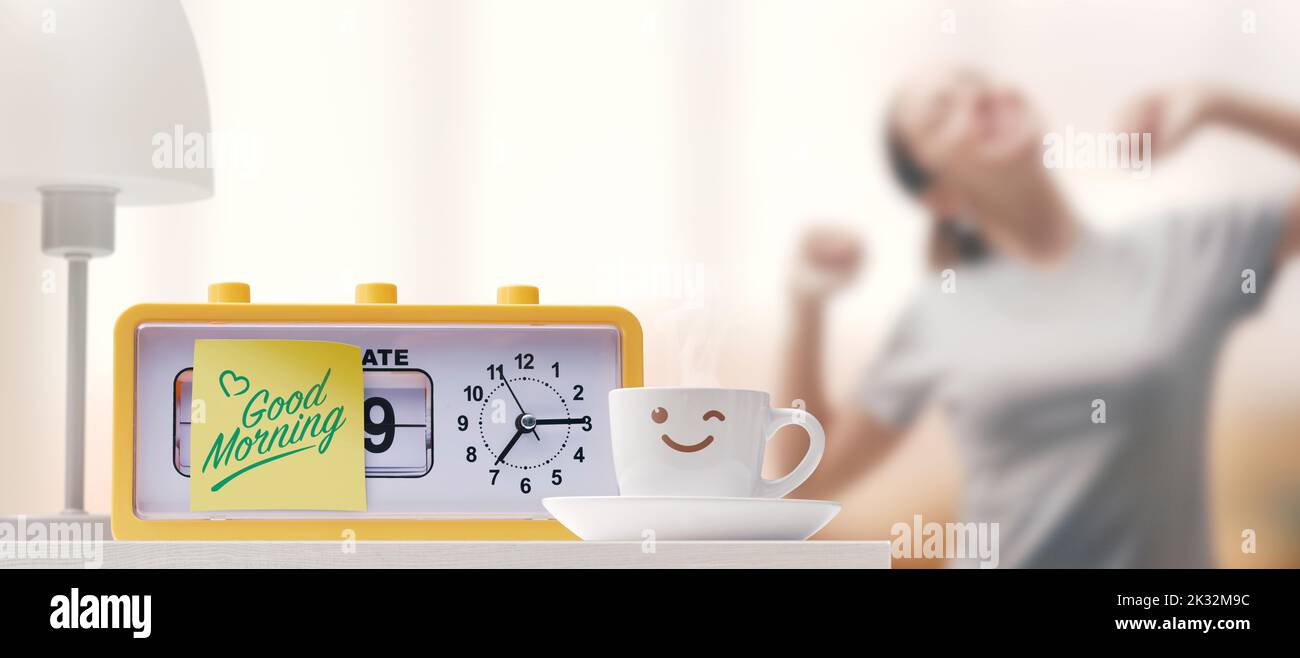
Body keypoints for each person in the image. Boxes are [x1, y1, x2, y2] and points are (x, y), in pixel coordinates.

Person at [774, 67, 1300, 568]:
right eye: (941, 112)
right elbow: (801, 481)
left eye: (977, 83)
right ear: (942, 194)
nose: (976, 98)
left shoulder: (1185, 252)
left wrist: (1217, 103)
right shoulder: (939, 313)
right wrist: (806, 307)